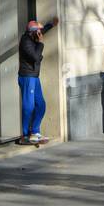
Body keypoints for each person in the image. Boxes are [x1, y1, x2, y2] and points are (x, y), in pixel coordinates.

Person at [17, 16, 59, 145]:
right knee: (28, 106)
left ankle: (35, 131)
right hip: (27, 77)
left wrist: (51, 24)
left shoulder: (33, 35)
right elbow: (36, 57)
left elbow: (42, 29)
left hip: (34, 77)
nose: (41, 34)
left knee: (41, 105)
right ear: (33, 33)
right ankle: (25, 135)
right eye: (39, 32)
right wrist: (41, 43)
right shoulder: (26, 42)